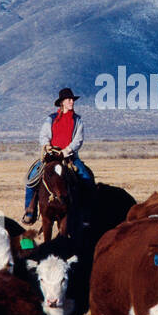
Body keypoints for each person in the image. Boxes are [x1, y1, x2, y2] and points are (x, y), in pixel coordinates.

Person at [23, 87, 93, 224]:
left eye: (72, 99)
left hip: (69, 157)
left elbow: (78, 140)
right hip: (51, 156)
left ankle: (86, 214)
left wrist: (66, 151)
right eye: (69, 99)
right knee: (31, 179)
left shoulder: (78, 120)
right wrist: (47, 145)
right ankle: (30, 210)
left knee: (87, 178)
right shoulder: (51, 118)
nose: (72, 102)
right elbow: (44, 135)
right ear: (62, 102)